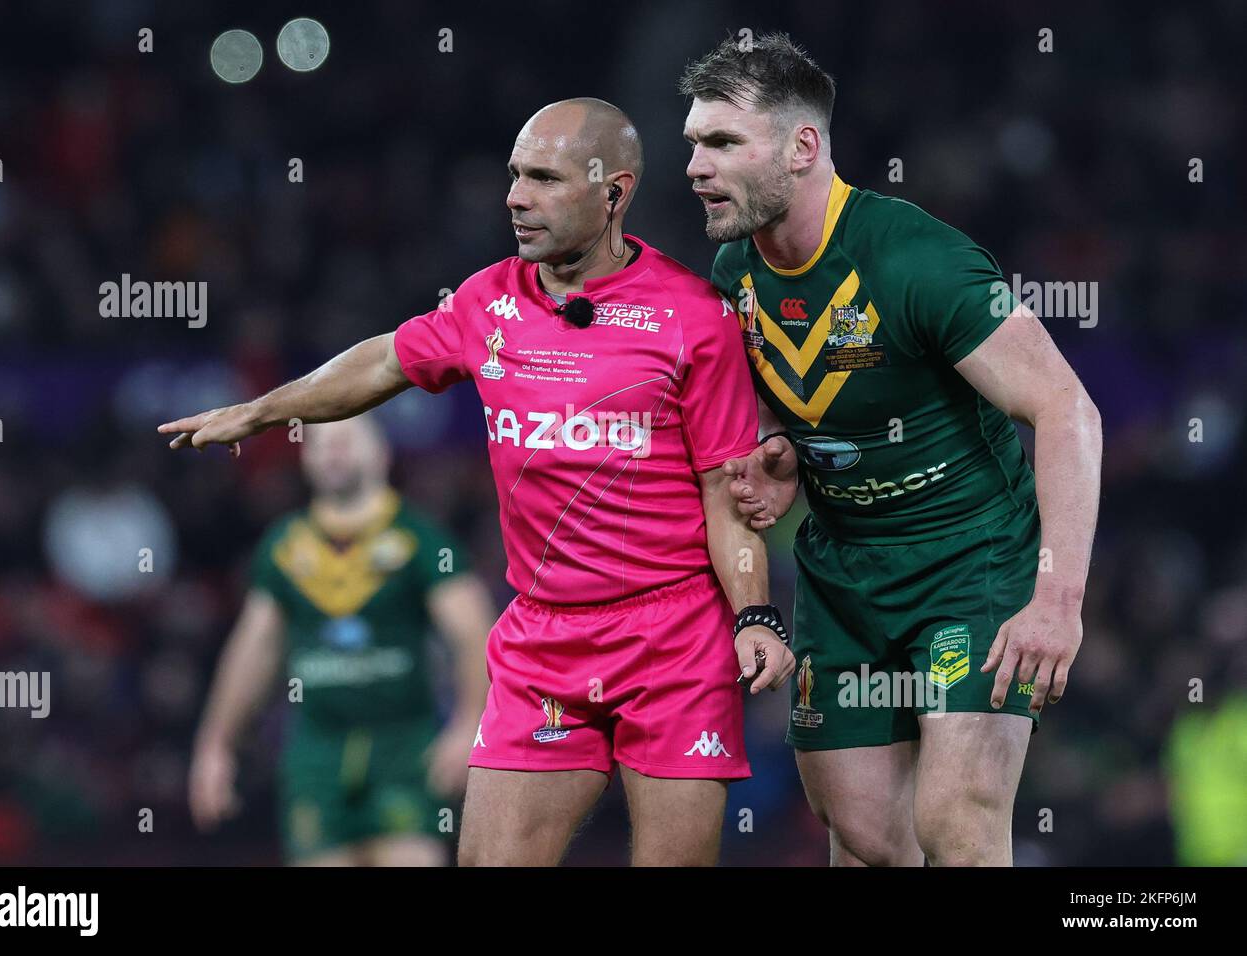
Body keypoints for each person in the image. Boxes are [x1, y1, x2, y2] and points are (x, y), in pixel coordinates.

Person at [162, 97, 795, 866]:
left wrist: (755, 616)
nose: (515, 198)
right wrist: (263, 411)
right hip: (543, 638)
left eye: (544, 179)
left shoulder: (695, 317)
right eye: (514, 176)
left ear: (614, 192)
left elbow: (724, 497)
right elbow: (383, 361)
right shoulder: (487, 300)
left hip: (672, 638)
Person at [679, 33, 1103, 865]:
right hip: (843, 572)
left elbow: (1067, 410)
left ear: (803, 147)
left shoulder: (920, 259)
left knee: (957, 822)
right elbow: (791, 394)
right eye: (693, 142)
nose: (695, 165)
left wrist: (1057, 597)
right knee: (867, 835)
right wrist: (778, 449)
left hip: (973, 564)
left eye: (723, 142)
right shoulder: (735, 273)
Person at [188, 416, 496, 865]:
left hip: (406, 751)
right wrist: (215, 745)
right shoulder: (284, 548)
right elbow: (251, 653)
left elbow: (474, 634)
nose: (332, 451)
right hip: (315, 755)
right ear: (305, 458)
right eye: (320, 443)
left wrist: (470, 724)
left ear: (381, 454)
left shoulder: (420, 540)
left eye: (346, 441)